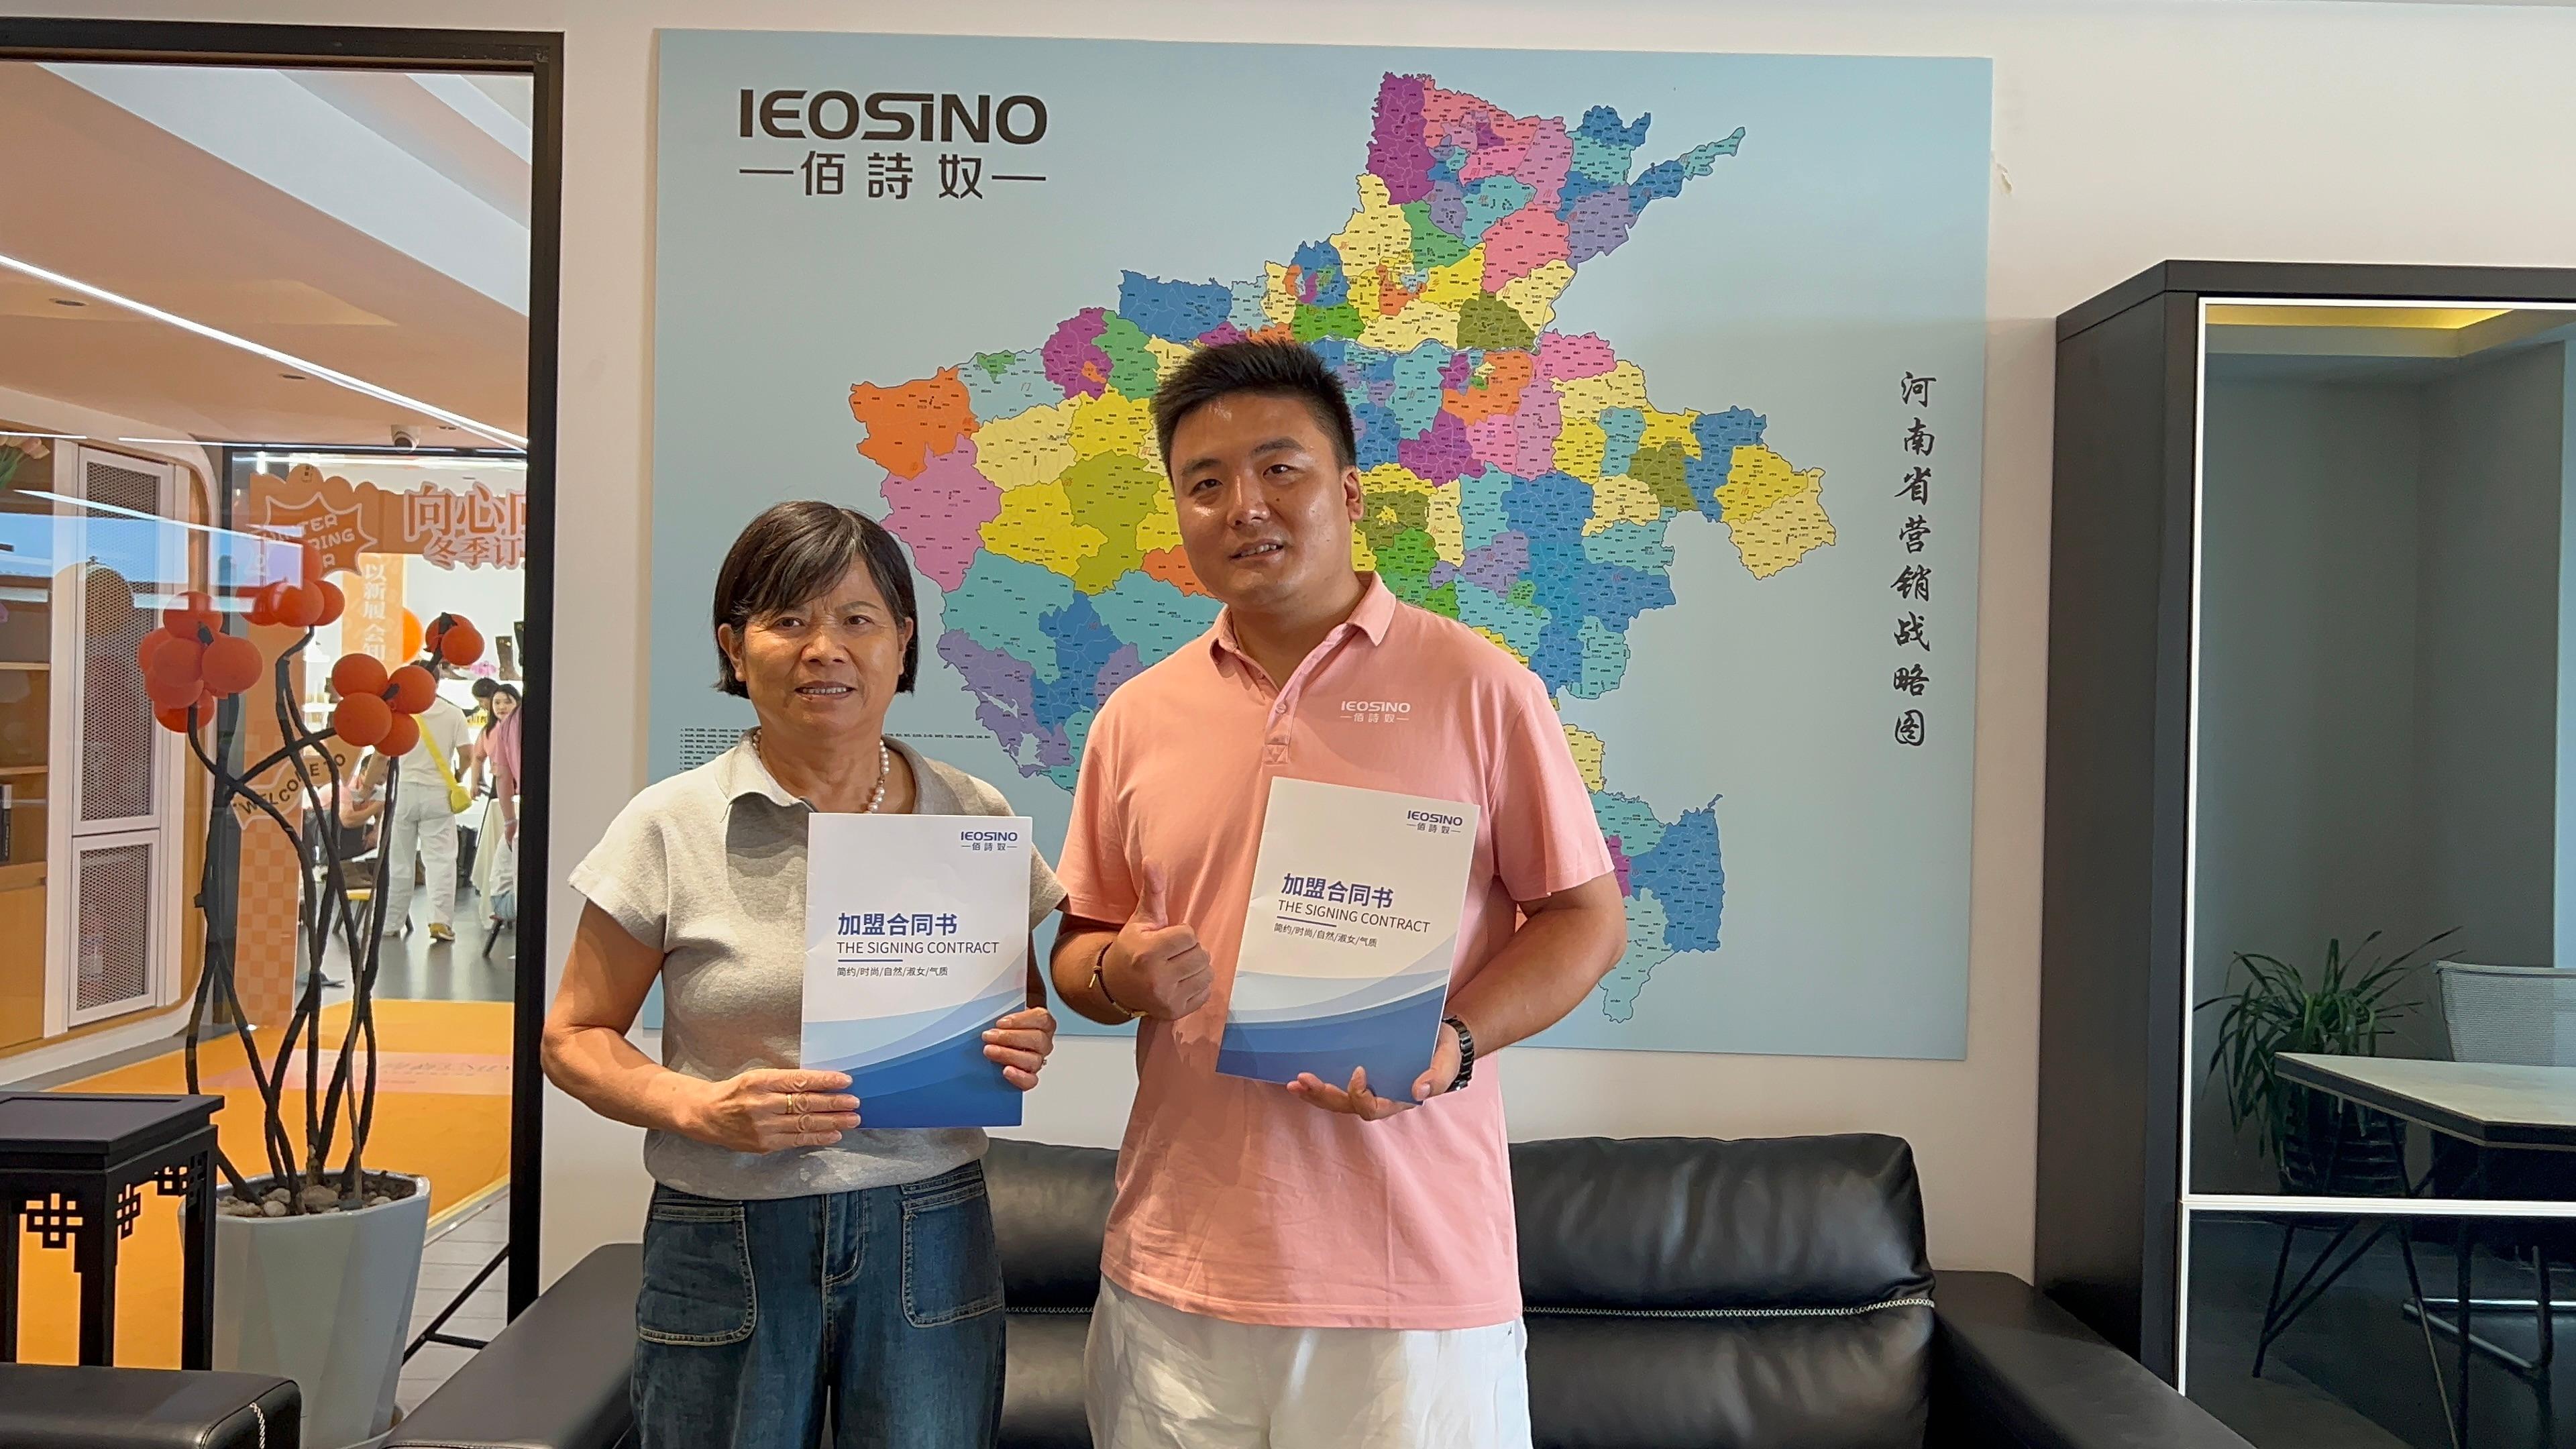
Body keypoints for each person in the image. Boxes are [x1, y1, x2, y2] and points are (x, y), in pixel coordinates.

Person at [1050, 340, 1630, 1448]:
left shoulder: (1480, 687)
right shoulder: (1135, 716)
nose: (1243, 506)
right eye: (1205, 483)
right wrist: (1117, 973)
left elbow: (1586, 920)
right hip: (1177, 1275)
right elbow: (1080, 947)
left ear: (1350, 492)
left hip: (1411, 1282)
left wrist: (1453, 1043)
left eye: (1281, 469)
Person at [542, 500, 1063, 1448]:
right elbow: (573, 1036)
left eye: (858, 619)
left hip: (931, 1224)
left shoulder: (970, 813)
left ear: (902, 643)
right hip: (726, 1227)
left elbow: (1018, 1002)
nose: (826, 649)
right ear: (735, 650)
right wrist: (698, 1108)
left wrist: (1026, 1037)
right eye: (788, 620)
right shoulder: (670, 824)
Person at [380, 682, 470, 943]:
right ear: (437, 683)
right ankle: (441, 921)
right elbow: (467, 754)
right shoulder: (453, 713)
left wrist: (365, 788)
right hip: (438, 793)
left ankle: (391, 922)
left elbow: (382, 755)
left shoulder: (399, 713)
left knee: (399, 861)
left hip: (403, 790)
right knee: (441, 861)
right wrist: (457, 776)